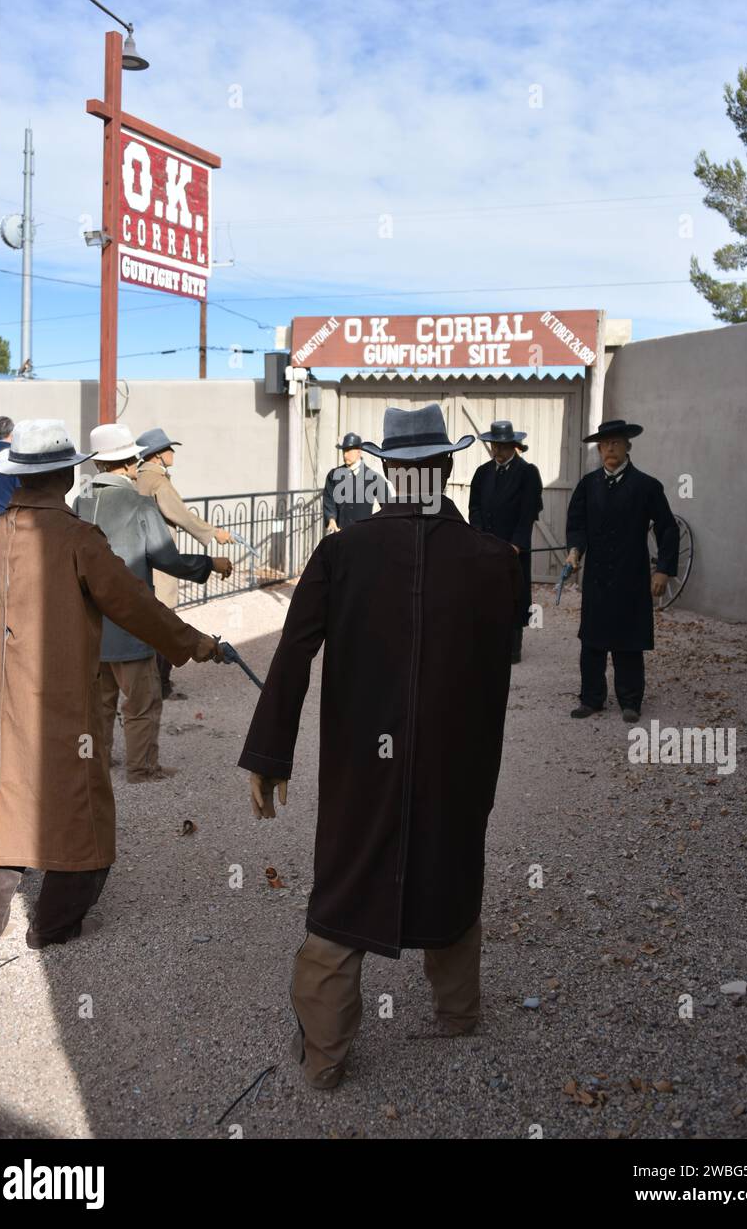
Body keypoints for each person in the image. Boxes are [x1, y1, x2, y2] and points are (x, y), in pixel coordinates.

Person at [238, 403, 523, 1090]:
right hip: (457, 761)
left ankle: (325, 1056)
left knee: (345, 886)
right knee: (452, 870)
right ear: (448, 469)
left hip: (362, 761)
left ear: (390, 473)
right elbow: (497, 667)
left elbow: (294, 652)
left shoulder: (342, 552)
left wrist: (268, 754)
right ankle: (458, 1012)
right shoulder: (494, 561)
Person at [0, 419, 223, 954]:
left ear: (19, 478)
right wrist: (194, 642)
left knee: (7, 797)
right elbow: (134, 605)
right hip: (65, 701)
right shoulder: (79, 540)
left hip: (4, 705)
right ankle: (54, 925)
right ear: (62, 477)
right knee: (82, 804)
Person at [73, 424, 233, 783]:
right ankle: (141, 768)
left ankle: (94, 765)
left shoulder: (80, 502)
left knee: (98, 706)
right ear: (130, 461)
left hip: (90, 627)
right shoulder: (139, 503)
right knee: (141, 703)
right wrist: (209, 563)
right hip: (131, 625)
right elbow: (168, 560)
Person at [565, 418, 678, 723]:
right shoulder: (588, 485)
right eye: (604, 444)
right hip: (597, 577)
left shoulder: (646, 486)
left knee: (628, 640)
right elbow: (576, 524)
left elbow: (668, 530)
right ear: (599, 448)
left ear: (628, 446)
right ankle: (591, 698)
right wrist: (575, 551)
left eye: (615, 442)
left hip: (632, 575)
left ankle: (630, 700)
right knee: (592, 640)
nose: (609, 448)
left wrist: (663, 570)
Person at [135, 427, 233, 699]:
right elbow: (183, 517)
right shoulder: (158, 483)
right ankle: (161, 686)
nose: (172, 453)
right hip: (161, 561)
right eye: (168, 449)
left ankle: (148, 685)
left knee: (149, 621)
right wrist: (214, 533)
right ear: (156, 456)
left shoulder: (138, 479)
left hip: (141, 558)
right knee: (166, 623)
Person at [469, 419, 543, 664]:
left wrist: (516, 544)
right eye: (493, 446)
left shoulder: (527, 473)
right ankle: (489, 642)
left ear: (513, 446)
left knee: (513, 595)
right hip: (487, 546)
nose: (496, 451)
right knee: (487, 594)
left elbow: (528, 511)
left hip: (513, 548)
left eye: (501, 447)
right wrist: (479, 537)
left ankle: (513, 648)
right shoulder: (483, 473)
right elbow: (475, 508)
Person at [322, 432, 391, 533]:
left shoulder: (373, 478)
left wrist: (377, 526)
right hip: (339, 535)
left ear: (359, 451)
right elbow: (328, 500)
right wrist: (331, 519)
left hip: (362, 536)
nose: (345, 454)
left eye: (349, 450)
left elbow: (388, 507)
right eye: (344, 451)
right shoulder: (333, 475)